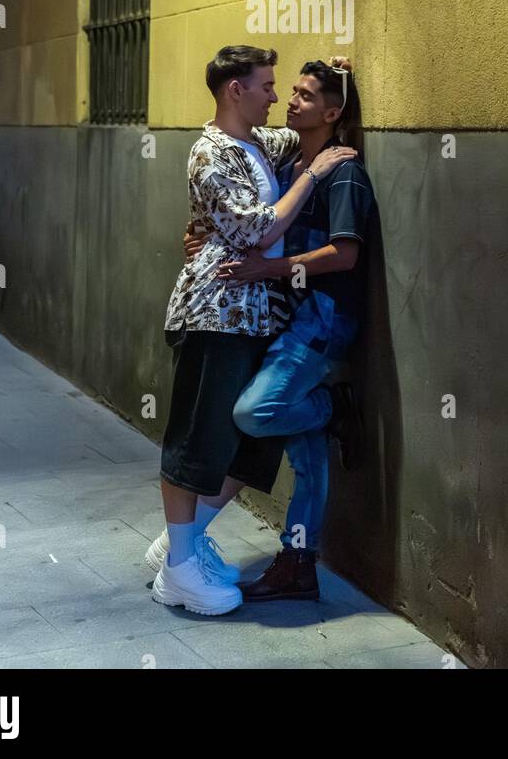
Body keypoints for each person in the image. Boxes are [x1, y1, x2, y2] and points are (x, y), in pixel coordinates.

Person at [149, 45, 356, 617]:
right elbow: (257, 228)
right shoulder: (212, 152)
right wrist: (313, 176)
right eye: (268, 86)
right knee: (196, 439)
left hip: (256, 316)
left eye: (284, 88)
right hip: (216, 311)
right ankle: (181, 569)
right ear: (234, 90)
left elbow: (308, 128)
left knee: (244, 440)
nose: (278, 96)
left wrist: (337, 73)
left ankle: (181, 547)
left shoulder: (262, 143)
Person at [222, 57, 376, 601]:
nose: (291, 101)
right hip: (289, 319)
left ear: (332, 113)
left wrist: (269, 269)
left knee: (255, 412)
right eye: (289, 92)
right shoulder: (290, 169)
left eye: (306, 96)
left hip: (322, 324)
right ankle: (299, 562)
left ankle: (334, 407)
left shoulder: (345, 172)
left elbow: (344, 255)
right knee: (305, 451)